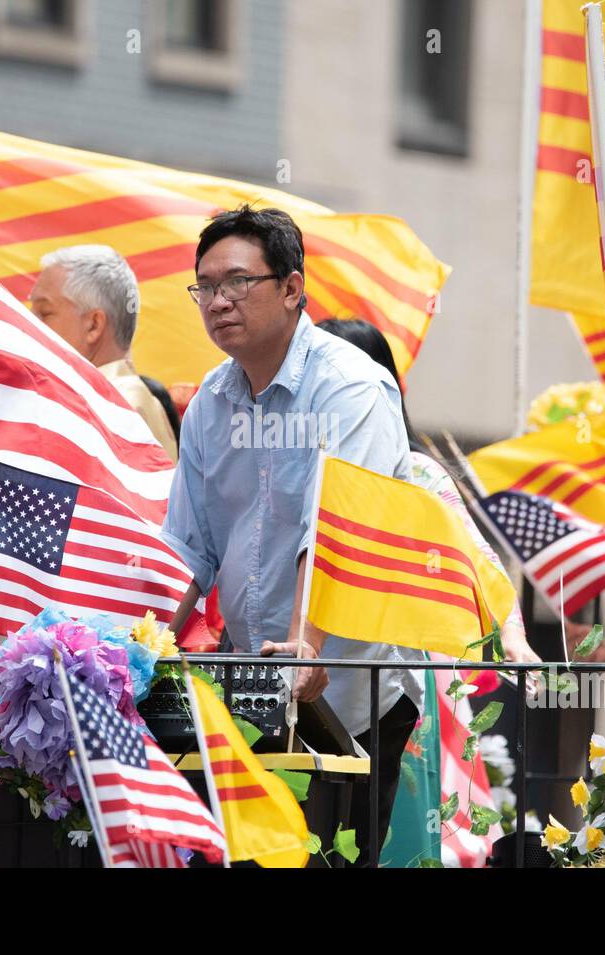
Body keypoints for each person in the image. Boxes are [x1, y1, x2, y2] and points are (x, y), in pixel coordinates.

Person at [161, 205, 422, 861]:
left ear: (291, 287)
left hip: (352, 692)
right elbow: (187, 547)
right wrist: (139, 643)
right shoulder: (209, 407)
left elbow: (337, 522)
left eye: (238, 281)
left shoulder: (351, 385)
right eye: (206, 286)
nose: (219, 300)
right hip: (252, 693)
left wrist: (308, 643)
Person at [317, 318, 537, 866]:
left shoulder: (415, 473)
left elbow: (480, 560)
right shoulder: (292, 462)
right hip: (305, 676)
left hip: (392, 683)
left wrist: (515, 640)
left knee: (388, 835)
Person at [29, 245, 178, 460]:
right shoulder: (117, 398)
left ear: (93, 325)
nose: (30, 323)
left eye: (44, 312)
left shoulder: (112, 407)